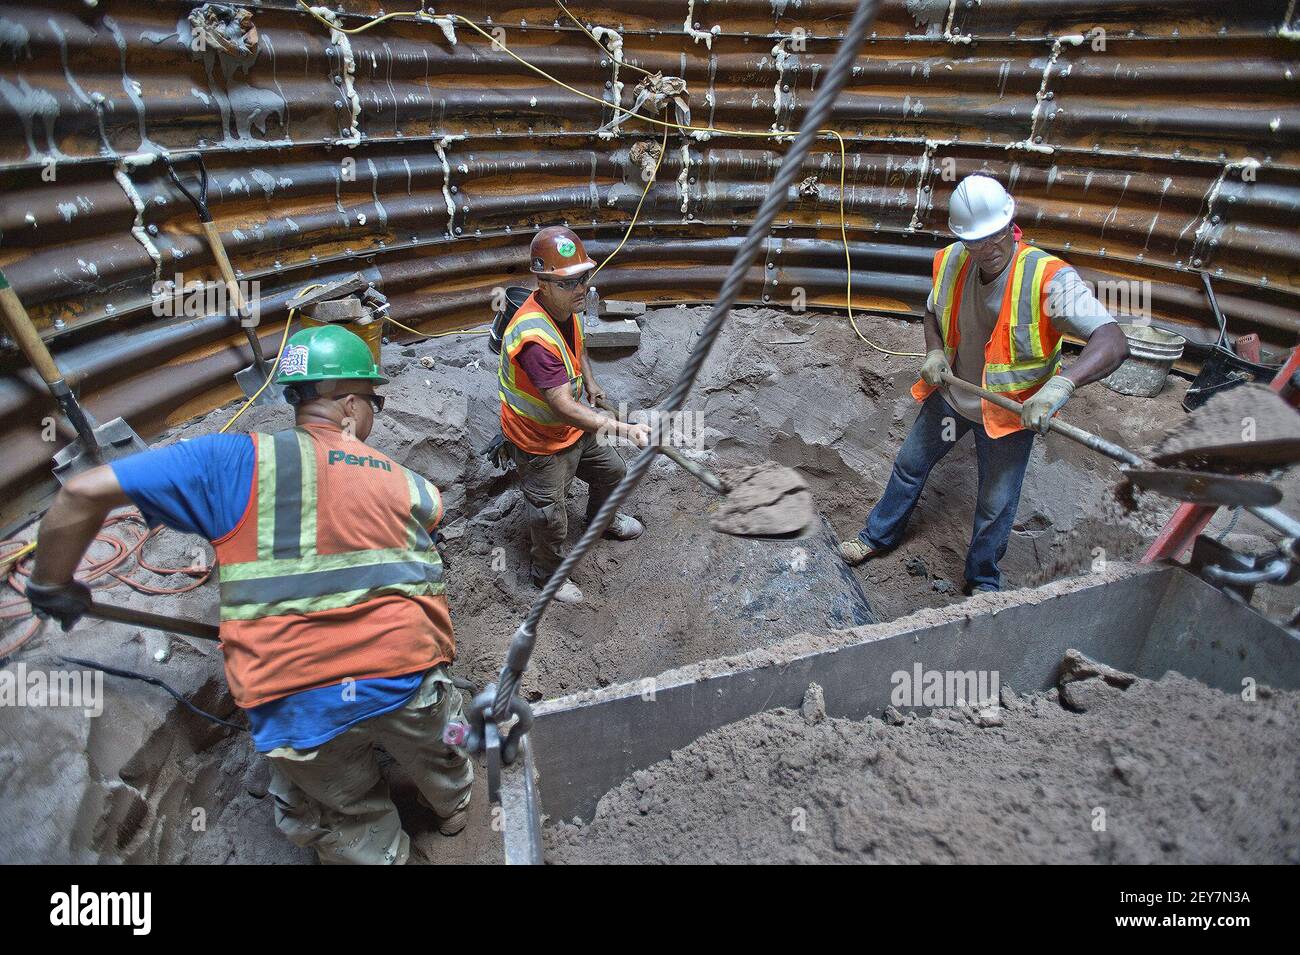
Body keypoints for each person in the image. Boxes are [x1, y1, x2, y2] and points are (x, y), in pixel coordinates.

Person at [26, 325, 469, 865]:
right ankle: (455, 807)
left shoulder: (230, 462)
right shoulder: (411, 484)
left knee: (341, 805)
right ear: (351, 405)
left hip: (296, 703)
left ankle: (386, 853)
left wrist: (50, 583)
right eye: (374, 400)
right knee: (442, 741)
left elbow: (81, 492)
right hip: (408, 675)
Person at [840, 174, 1130, 592]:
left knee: (995, 504)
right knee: (909, 466)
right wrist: (934, 351)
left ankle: (982, 582)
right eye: (976, 241)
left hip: (1009, 413)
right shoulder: (951, 260)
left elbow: (1113, 340)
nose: (987, 249)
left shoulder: (1048, 279)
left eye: (995, 237)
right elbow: (931, 313)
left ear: (1010, 224)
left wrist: (1061, 386)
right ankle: (876, 537)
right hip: (953, 396)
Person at [498, 225, 651, 604]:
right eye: (568, 283)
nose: (580, 288)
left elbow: (578, 350)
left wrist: (593, 383)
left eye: (584, 278)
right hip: (540, 441)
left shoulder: (570, 308)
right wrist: (620, 427)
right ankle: (546, 575)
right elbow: (562, 404)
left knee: (614, 472)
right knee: (551, 518)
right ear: (543, 283)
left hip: (572, 429)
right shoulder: (533, 338)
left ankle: (604, 522)